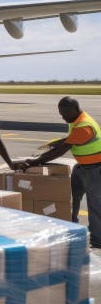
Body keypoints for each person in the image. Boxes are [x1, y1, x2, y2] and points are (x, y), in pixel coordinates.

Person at [17, 97, 101, 248]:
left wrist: (35, 162)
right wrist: (56, 143)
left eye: (64, 114)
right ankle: (73, 227)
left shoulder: (84, 126)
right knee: (71, 199)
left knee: (94, 204)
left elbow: (62, 150)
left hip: (95, 169)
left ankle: (98, 238)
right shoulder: (75, 120)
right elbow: (69, 140)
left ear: (74, 110)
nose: (63, 118)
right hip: (82, 167)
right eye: (61, 114)